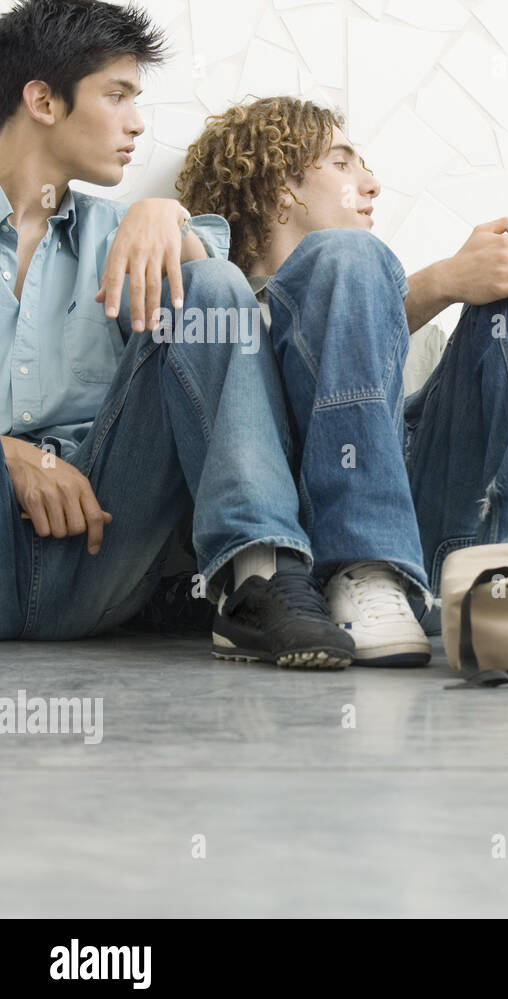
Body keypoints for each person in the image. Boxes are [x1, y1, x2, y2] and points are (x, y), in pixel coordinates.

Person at [177, 97, 508, 665]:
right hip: (303, 569)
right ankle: (363, 566)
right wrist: (441, 281)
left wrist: (442, 291)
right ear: (284, 187)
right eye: (343, 163)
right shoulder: (217, 313)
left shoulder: (410, 328)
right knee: (349, 256)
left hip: (435, 553)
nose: (371, 182)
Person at [0, 0, 357, 666]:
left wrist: (169, 219)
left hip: (99, 539)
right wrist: (14, 455)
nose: (137, 123)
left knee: (212, 289)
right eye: (117, 96)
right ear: (43, 101)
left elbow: (227, 321)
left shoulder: (128, 234)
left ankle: (257, 576)